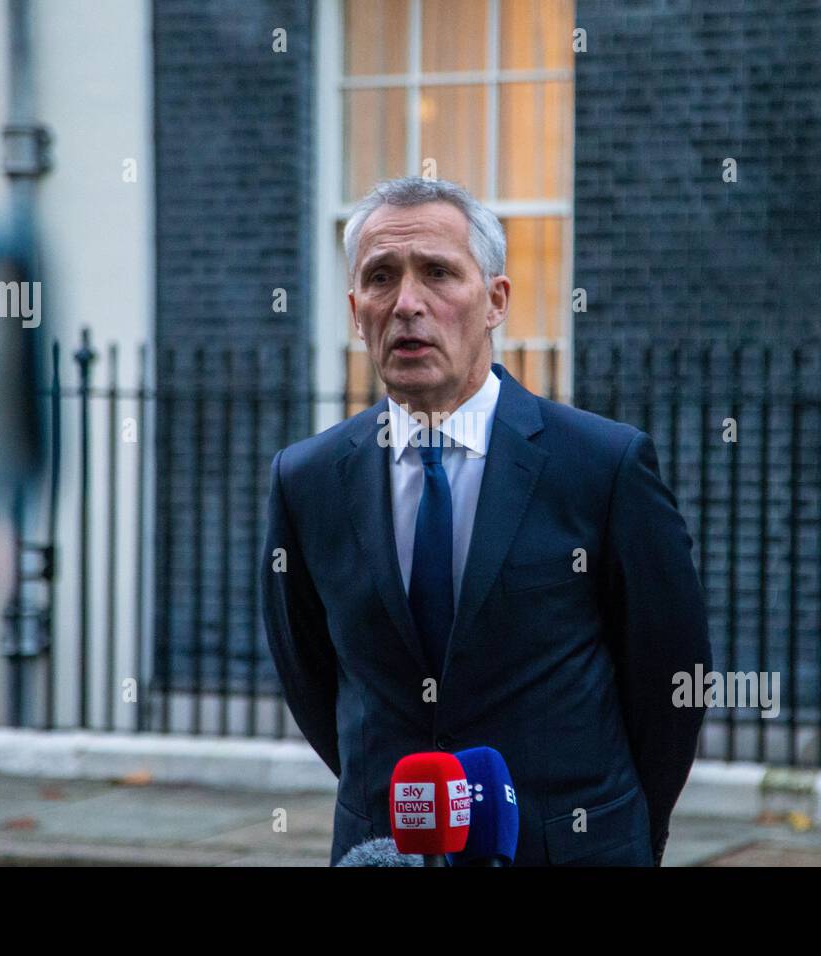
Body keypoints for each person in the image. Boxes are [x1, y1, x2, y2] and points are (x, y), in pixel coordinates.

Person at [261, 176, 712, 866]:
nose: (407, 303)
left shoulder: (602, 465)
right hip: (384, 850)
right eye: (381, 278)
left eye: (438, 273)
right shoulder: (307, 479)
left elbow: (671, 682)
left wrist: (620, 833)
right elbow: (311, 677)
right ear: (357, 312)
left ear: (495, 299)